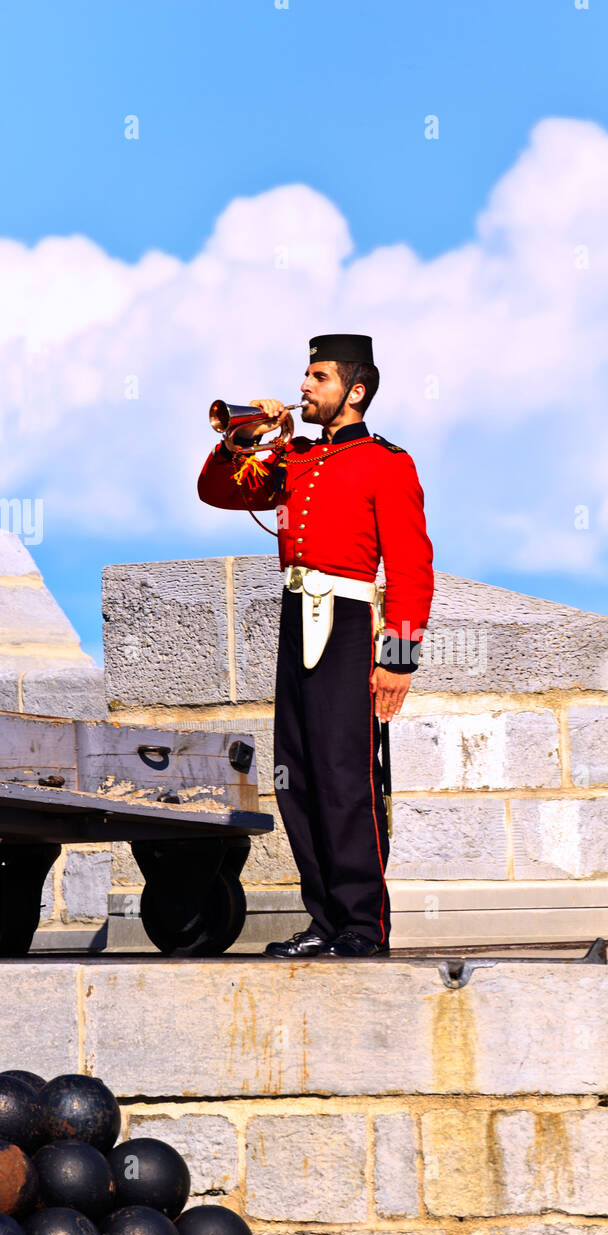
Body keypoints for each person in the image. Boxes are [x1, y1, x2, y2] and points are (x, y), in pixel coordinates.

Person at [197, 334, 434, 958]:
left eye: (318, 377)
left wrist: (397, 661)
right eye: (304, 375)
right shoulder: (295, 458)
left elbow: (411, 568)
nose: (304, 387)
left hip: (351, 624)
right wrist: (245, 436)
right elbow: (217, 491)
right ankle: (324, 921)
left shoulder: (387, 462)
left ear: (354, 391)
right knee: (295, 777)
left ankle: (361, 925)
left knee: (343, 778)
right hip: (295, 616)